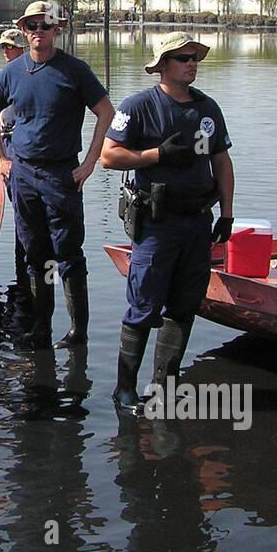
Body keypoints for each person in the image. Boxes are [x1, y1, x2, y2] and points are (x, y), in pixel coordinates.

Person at [100, 31, 235, 412]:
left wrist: (226, 214)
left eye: (195, 57)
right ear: (163, 65)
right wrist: (156, 155)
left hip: (197, 223)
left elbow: (222, 161)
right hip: (157, 224)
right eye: (183, 58)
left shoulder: (208, 108)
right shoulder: (139, 105)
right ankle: (125, 390)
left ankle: (162, 389)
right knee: (143, 305)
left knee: (183, 306)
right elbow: (109, 157)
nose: (191, 63)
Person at [0, 1, 115, 350]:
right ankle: (40, 328)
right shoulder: (12, 72)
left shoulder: (74, 70)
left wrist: (89, 163)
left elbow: (106, 112)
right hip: (22, 172)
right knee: (35, 253)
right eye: (32, 26)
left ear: (57, 30)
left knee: (68, 253)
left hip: (62, 174)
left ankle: (77, 333)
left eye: (46, 25)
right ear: (24, 31)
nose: (39, 32)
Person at [0, 26, 31, 301]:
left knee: (26, 210)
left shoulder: (29, 74)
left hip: (21, 145)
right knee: (18, 205)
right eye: (3, 47)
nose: (5, 51)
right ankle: (23, 272)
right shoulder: (7, 77)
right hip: (8, 143)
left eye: (9, 46)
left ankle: (28, 273)